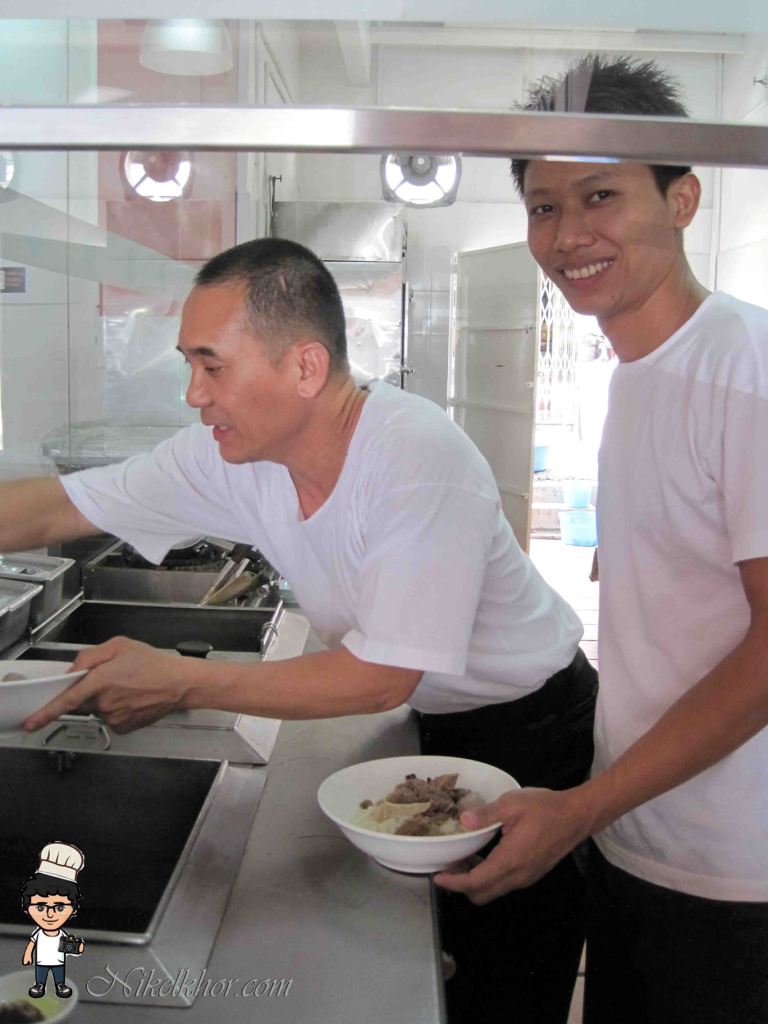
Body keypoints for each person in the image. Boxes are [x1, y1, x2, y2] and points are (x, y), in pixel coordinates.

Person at [0, 237, 597, 1024]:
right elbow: (63, 506)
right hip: (429, 723)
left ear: (305, 368)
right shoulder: (232, 458)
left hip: (532, 733)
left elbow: (381, 676)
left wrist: (181, 677)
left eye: (213, 367)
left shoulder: (414, 458)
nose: (192, 395)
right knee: (424, 963)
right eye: (189, 365)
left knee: (505, 976)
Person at [434, 55, 768, 1024]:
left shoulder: (742, 375)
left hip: (734, 874)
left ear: (684, 196)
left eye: (600, 196)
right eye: (544, 206)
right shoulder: (639, 374)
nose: (568, 234)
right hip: (642, 837)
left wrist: (584, 803)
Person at [22, 842, 85, 999]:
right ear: (27, 907)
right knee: (40, 974)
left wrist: (79, 948)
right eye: (41, 907)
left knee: (59, 974)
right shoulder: (38, 933)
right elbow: (31, 942)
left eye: (60, 908)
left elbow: (69, 947)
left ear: (74, 909)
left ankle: (60, 985)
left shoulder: (63, 933)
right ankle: (39, 985)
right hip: (41, 961)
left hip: (58, 961)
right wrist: (28, 954)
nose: (50, 915)